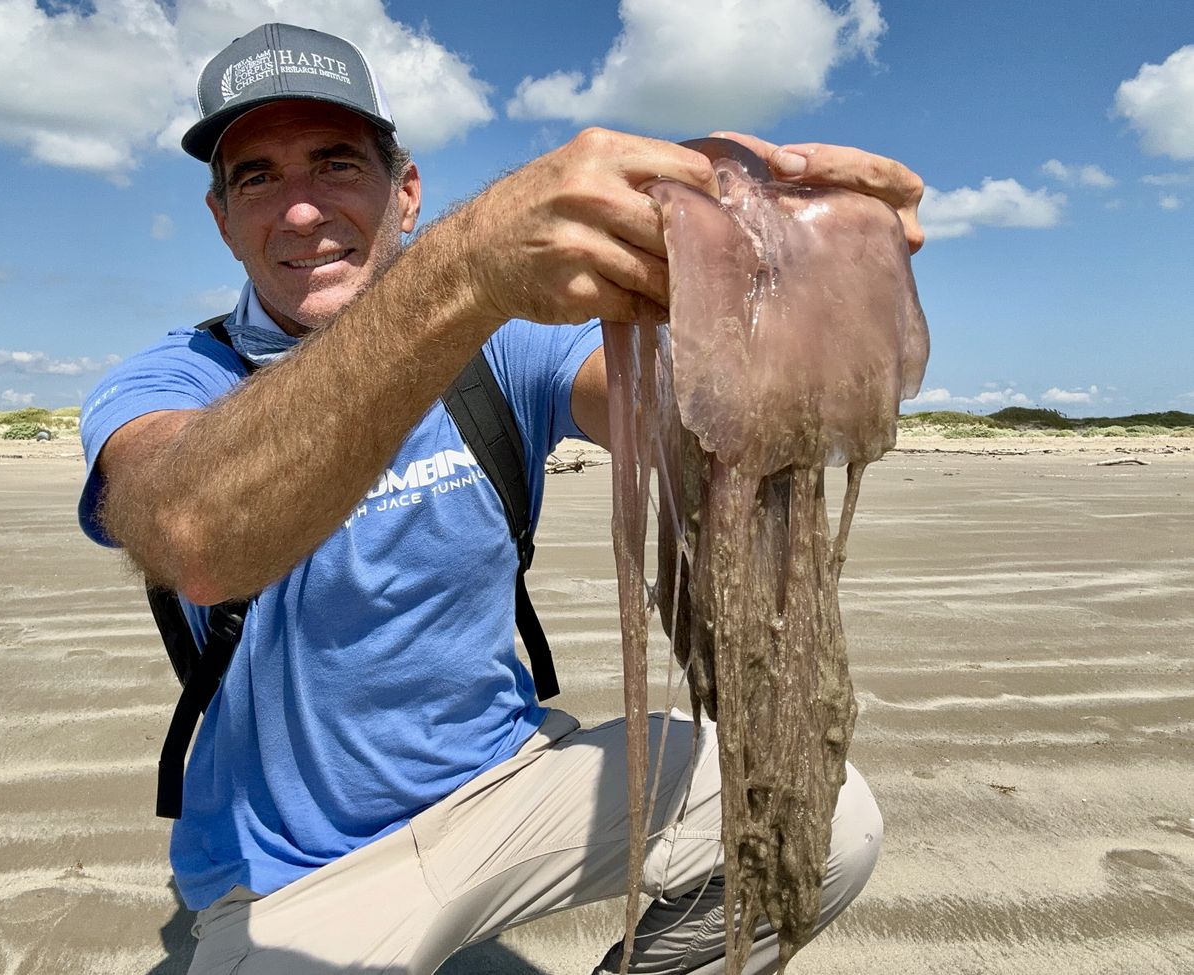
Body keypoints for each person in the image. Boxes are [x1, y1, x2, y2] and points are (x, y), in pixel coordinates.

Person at [78, 22, 924, 975]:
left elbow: (696, 414)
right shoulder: (169, 379)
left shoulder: (501, 353)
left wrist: (780, 270)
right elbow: (196, 534)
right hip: (295, 872)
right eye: (258, 178)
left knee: (825, 819)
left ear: (405, 192)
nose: (302, 211)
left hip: (505, 789)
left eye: (336, 163)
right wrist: (464, 267)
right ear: (221, 215)